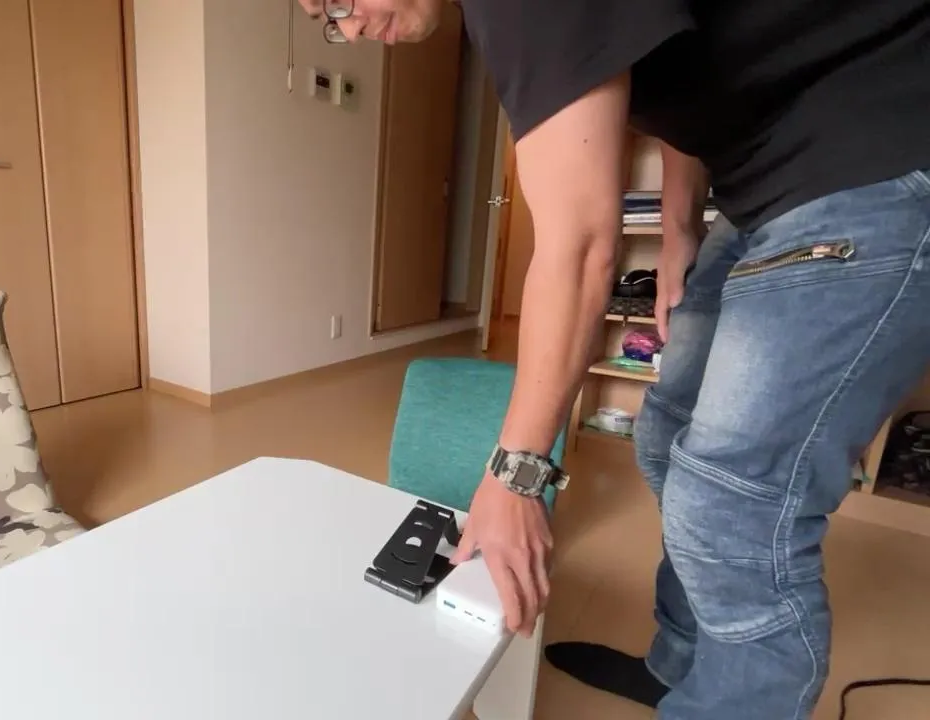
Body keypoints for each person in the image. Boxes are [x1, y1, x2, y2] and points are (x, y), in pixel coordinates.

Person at [297, 1, 930, 717]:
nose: (350, 28)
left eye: (339, 2)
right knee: (665, 434)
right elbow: (687, 63)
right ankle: (678, 666)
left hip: (878, 162)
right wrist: (680, 229)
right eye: (328, 21)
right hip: (766, 190)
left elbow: (580, 247)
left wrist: (514, 476)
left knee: (732, 504)